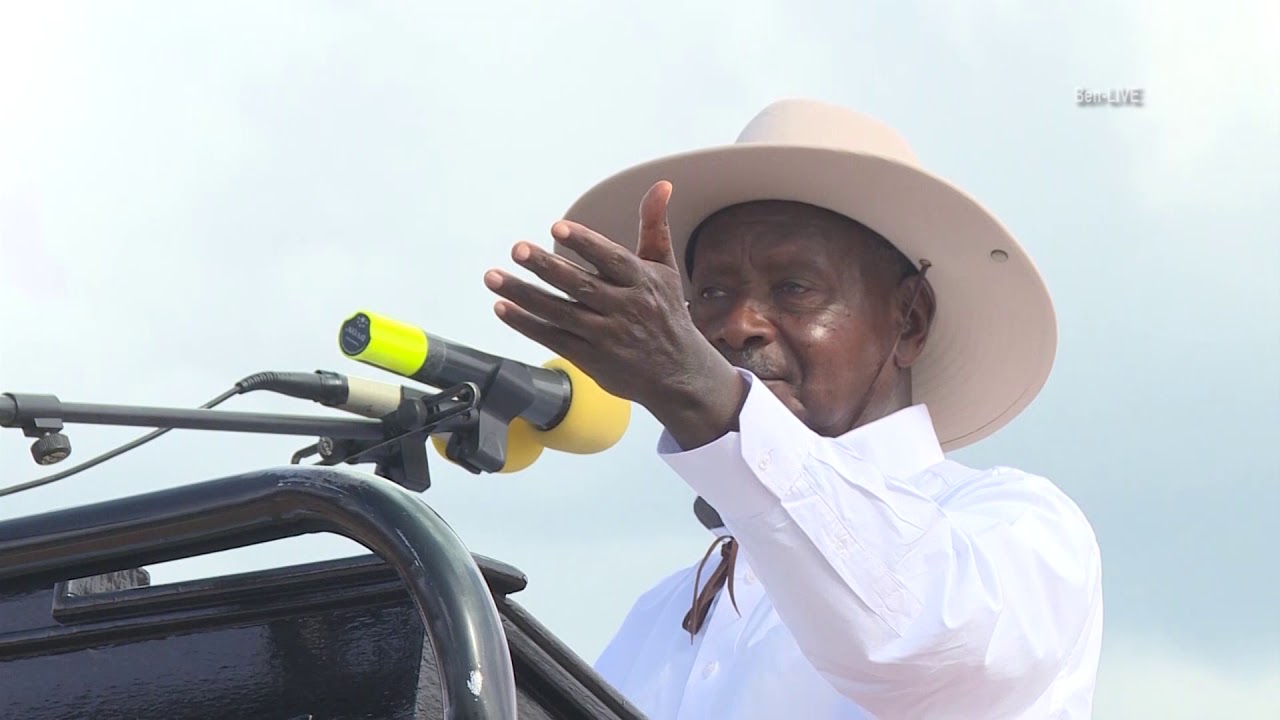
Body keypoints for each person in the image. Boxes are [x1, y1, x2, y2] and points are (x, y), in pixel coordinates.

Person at [482, 99, 1104, 719]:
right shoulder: (659, 617)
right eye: (712, 294)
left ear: (909, 319)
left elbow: (924, 642)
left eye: (794, 288)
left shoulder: (1020, 528)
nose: (737, 324)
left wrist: (710, 397)